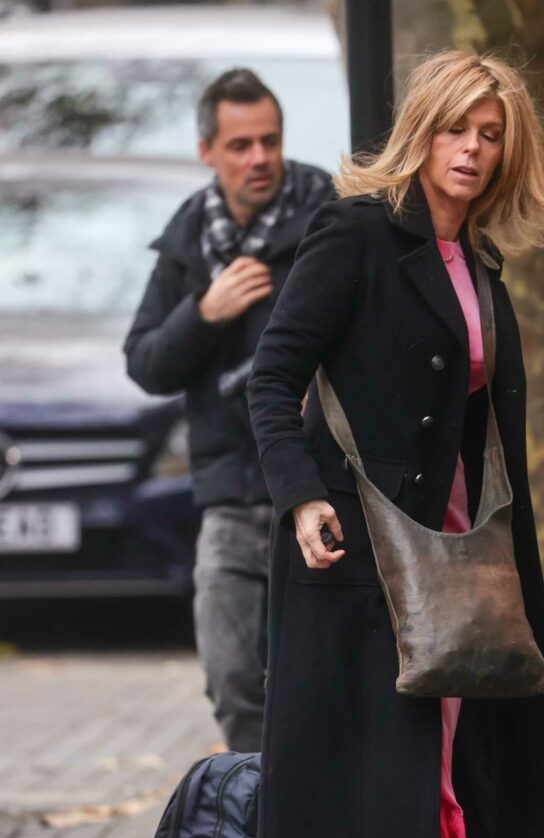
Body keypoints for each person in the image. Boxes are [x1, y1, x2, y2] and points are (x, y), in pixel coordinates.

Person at [247, 50, 544, 838]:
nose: (473, 151)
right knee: (397, 771)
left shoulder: (478, 255)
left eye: (491, 136)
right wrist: (304, 498)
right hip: (361, 556)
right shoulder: (354, 235)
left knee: (456, 757)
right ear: (422, 129)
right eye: (457, 129)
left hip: (462, 556)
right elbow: (273, 377)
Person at [124, 69, 334, 751]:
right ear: (207, 151)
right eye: (241, 145)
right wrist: (204, 313)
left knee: (326, 684)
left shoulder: (327, 216)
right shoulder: (190, 236)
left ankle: (321, 827)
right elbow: (145, 362)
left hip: (320, 491)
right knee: (233, 676)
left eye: (269, 141)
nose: (260, 159)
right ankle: (259, 825)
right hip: (232, 498)